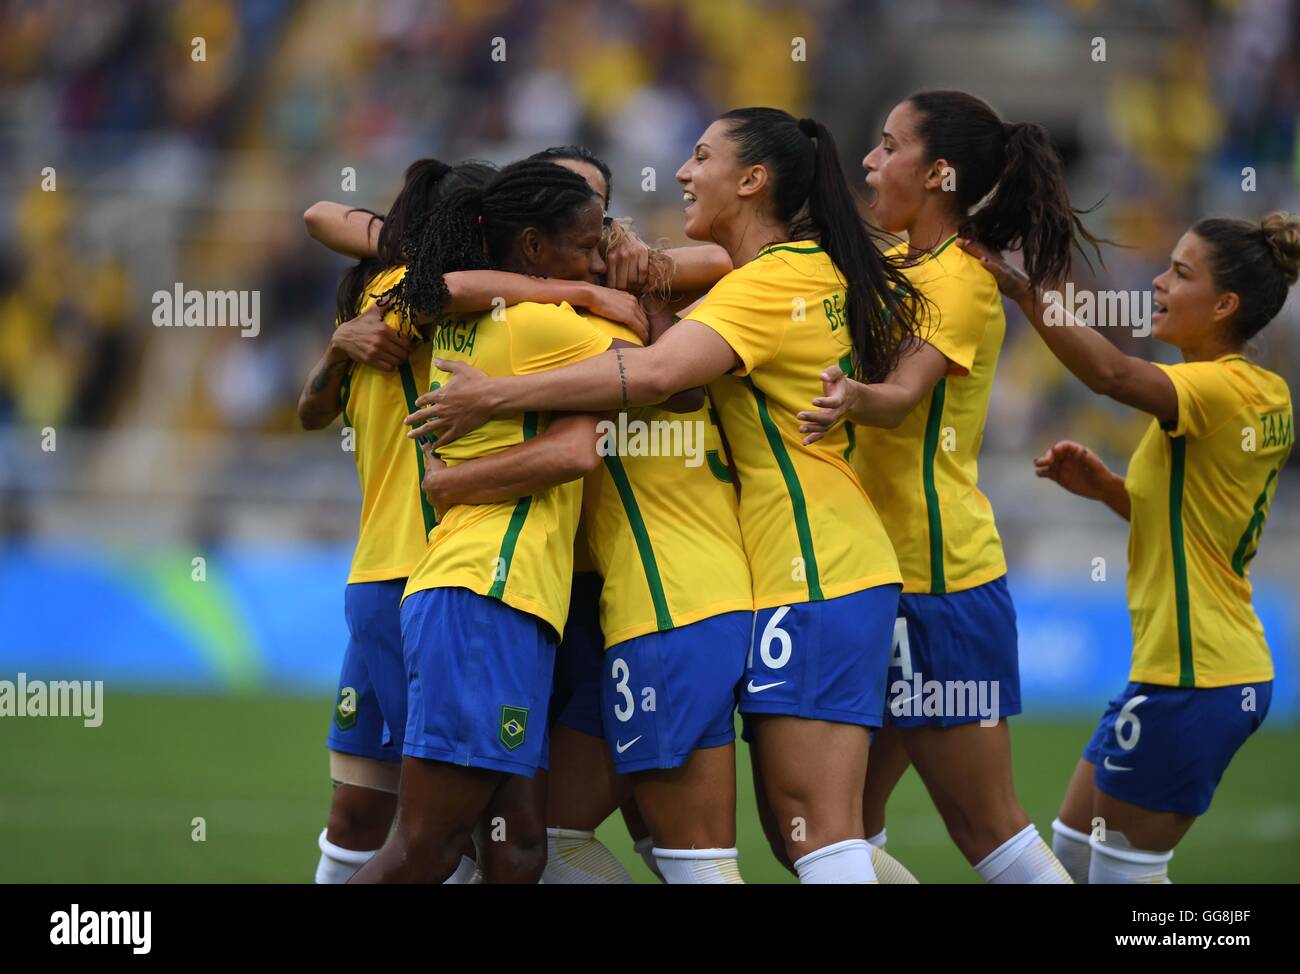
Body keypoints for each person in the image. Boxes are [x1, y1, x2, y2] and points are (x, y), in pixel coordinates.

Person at [408, 108, 926, 883]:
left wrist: (491, 404)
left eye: (700, 156)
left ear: (752, 181)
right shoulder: (771, 274)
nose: (678, 174)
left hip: (757, 583)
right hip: (761, 582)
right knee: (789, 840)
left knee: (788, 843)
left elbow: (647, 386)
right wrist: (630, 280)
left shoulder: (719, 298)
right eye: (589, 225)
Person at [300, 157, 645, 883]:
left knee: (502, 834)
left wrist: (339, 342)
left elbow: (328, 220)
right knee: (437, 836)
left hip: (426, 578)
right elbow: (648, 378)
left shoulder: (403, 299)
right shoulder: (526, 323)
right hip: (458, 580)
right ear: (522, 239)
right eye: (583, 238)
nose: (597, 249)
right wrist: (602, 287)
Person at [798, 90, 1102, 882]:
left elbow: (901, 399)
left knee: (988, 831)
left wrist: (853, 400)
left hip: (938, 585)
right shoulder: (903, 265)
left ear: (938, 173)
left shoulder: (960, 279)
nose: (869, 160)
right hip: (882, 579)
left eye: (887, 145)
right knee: (841, 829)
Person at [961, 211, 1297, 883]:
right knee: (1077, 849)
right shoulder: (1260, 392)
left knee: (1124, 878)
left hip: (1195, 675)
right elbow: (1196, 521)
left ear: (1225, 305)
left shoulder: (1214, 389)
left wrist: (1027, 293)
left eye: (1181, 272)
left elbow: (1112, 374)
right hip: (1198, 668)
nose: (1157, 281)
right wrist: (1110, 489)